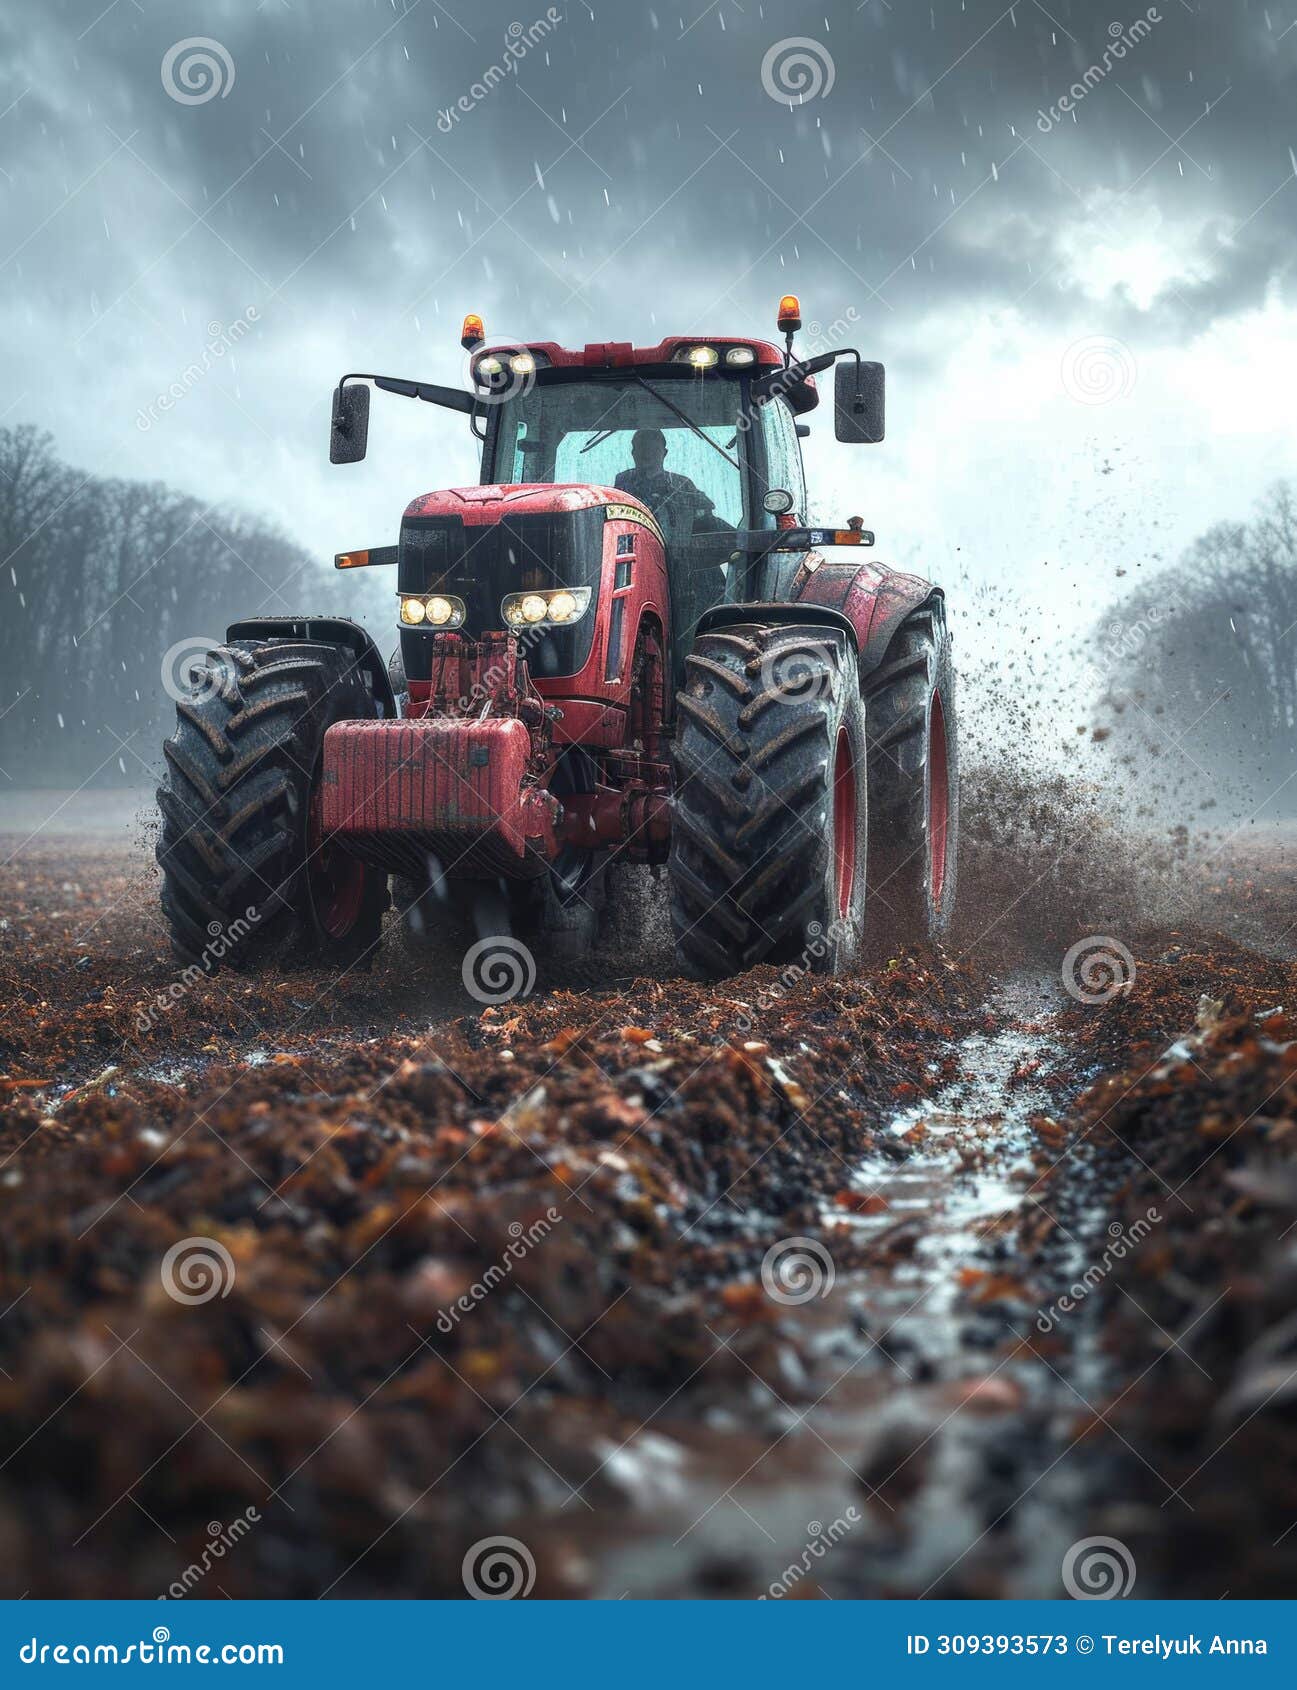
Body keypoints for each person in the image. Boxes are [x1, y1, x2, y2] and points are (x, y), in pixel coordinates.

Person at [614, 429, 712, 539]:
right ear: (633, 453)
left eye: (653, 449)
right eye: (642, 448)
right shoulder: (622, 484)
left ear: (664, 453)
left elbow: (707, 525)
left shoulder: (683, 485)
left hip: (676, 554)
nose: (647, 453)